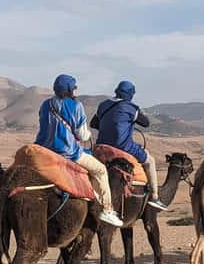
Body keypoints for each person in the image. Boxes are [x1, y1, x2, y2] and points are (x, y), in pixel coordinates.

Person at [36, 74, 125, 228]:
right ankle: (107, 209)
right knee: (100, 170)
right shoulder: (76, 106)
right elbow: (82, 135)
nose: (76, 90)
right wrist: (89, 135)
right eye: (74, 87)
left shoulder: (45, 104)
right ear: (70, 89)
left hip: (43, 150)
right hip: (67, 152)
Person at [89, 80, 168, 211]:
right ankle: (154, 196)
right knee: (150, 161)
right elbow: (146, 123)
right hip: (124, 146)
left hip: (102, 146)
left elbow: (93, 123)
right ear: (131, 94)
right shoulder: (131, 108)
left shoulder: (103, 105)